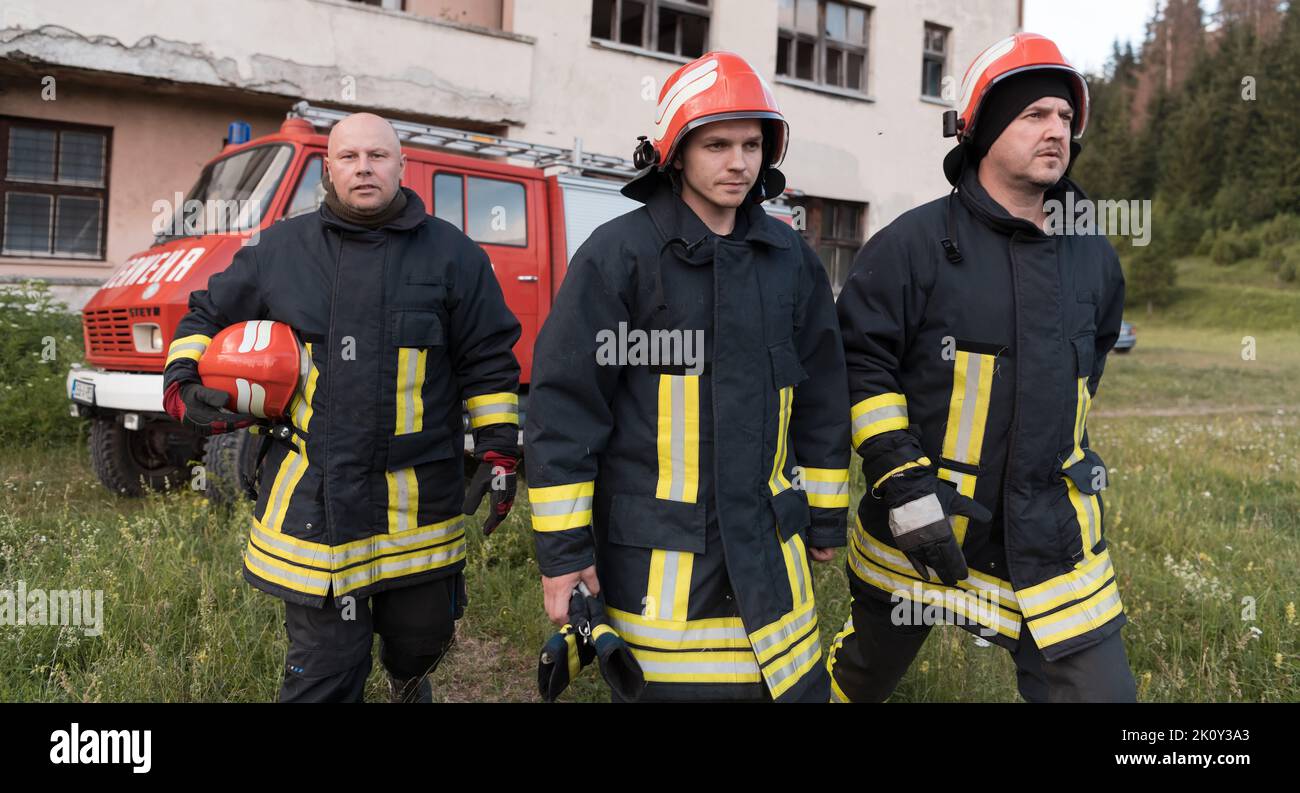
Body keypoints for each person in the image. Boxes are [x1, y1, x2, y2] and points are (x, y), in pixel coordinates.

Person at [524, 51, 850, 702]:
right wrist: (563, 555)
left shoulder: (791, 261)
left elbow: (820, 397)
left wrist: (827, 520)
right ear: (674, 152)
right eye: (718, 144)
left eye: (753, 144)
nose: (739, 162)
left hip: (774, 583)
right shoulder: (619, 258)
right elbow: (565, 409)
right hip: (663, 588)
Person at [163, 112, 522, 702]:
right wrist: (183, 377)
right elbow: (205, 314)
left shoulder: (454, 256)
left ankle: (410, 680)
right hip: (315, 501)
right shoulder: (280, 249)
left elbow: (487, 359)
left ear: (402, 167)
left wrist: (500, 450)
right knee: (326, 670)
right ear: (328, 168)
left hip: (418, 504)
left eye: (378, 156)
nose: (363, 168)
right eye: (349, 157)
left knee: (420, 643)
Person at [829, 33, 1137, 702]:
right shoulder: (910, 248)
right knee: (856, 681)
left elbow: (1090, 370)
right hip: (919, 530)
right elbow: (859, 365)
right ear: (982, 129)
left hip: (1053, 544)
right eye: (1034, 115)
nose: (1057, 129)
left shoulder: (1094, 259)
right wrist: (903, 485)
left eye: (1064, 116)